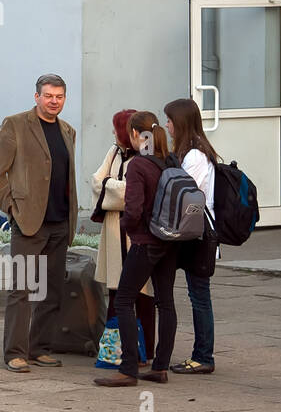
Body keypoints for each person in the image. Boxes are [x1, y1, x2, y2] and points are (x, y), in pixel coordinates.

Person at [0, 74, 78, 373]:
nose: (54, 101)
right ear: (37, 96)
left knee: (52, 290)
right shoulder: (16, 125)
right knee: (22, 289)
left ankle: (40, 348)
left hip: (60, 221)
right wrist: (10, 206)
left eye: (59, 96)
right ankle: (15, 352)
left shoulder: (67, 130)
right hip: (28, 221)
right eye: (49, 96)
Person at [94, 111, 178, 386]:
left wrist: (131, 229)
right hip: (170, 241)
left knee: (124, 299)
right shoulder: (169, 159)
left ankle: (128, 368)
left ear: (134, 135)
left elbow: (133, 208)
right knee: (165, 302)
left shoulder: (139, 165)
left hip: (145, 242)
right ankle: (160, 367)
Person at [92, 108, 158, 361]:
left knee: (142, 292)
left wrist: (110, 185)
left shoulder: (146, 157)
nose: (112, 132)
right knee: (116, 290)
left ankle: (144, 349)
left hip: (135, 233)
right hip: (113, 228)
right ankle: (114, 348)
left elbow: (131, 194)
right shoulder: (115, 151)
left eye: (114, 127)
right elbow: (96, 181)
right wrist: (111, 187)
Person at [164, 97, 220, 376]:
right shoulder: (191, 151)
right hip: (192, 232)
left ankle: (203, 356)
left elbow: (187, 193)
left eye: (170, 121)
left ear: (181, 123)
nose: (167, 125)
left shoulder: (195, 155)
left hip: (198, 235)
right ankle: (202, 354)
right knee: (197, 293)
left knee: (199, 295)